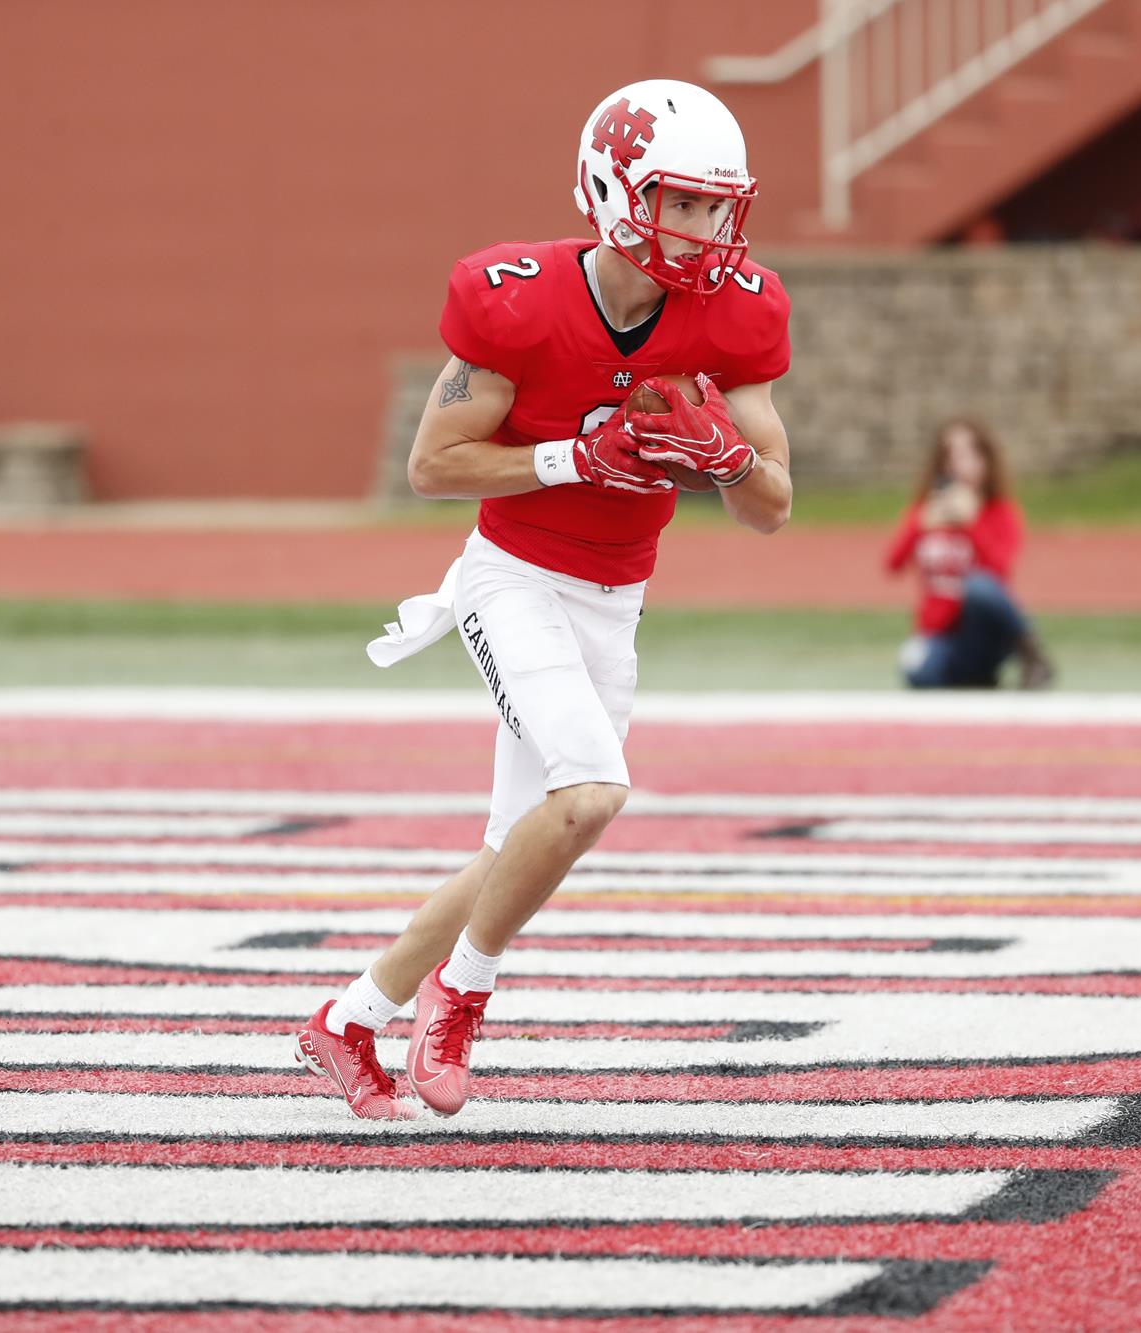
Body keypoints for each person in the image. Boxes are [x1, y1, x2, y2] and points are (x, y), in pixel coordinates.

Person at [294, 79, 793, 1119]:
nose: (703, 229)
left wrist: (724, 455)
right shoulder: (514, 295)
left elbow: (771, 509)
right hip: (511, 576)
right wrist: (578, 455)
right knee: (590, 792)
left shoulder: (734, 312)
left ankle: (346, 1019)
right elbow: (435, 465)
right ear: (611, 191)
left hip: (615, 599)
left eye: (716, 206)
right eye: (681, 202)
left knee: (519, 841)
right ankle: (460, 992)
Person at [884, 418, 1054, 690]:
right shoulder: (927, 511)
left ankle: (1031, 654)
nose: (956, 463)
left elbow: (998, 574)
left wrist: (972, 523)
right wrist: (920, 524)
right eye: (949, 454)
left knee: (977, 587)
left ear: (986, 460)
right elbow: (892, 565)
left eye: (967, 454)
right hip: (939, 634)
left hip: (982, 632)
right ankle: (975, 679)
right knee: (918, 674)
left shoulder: (999, 512)